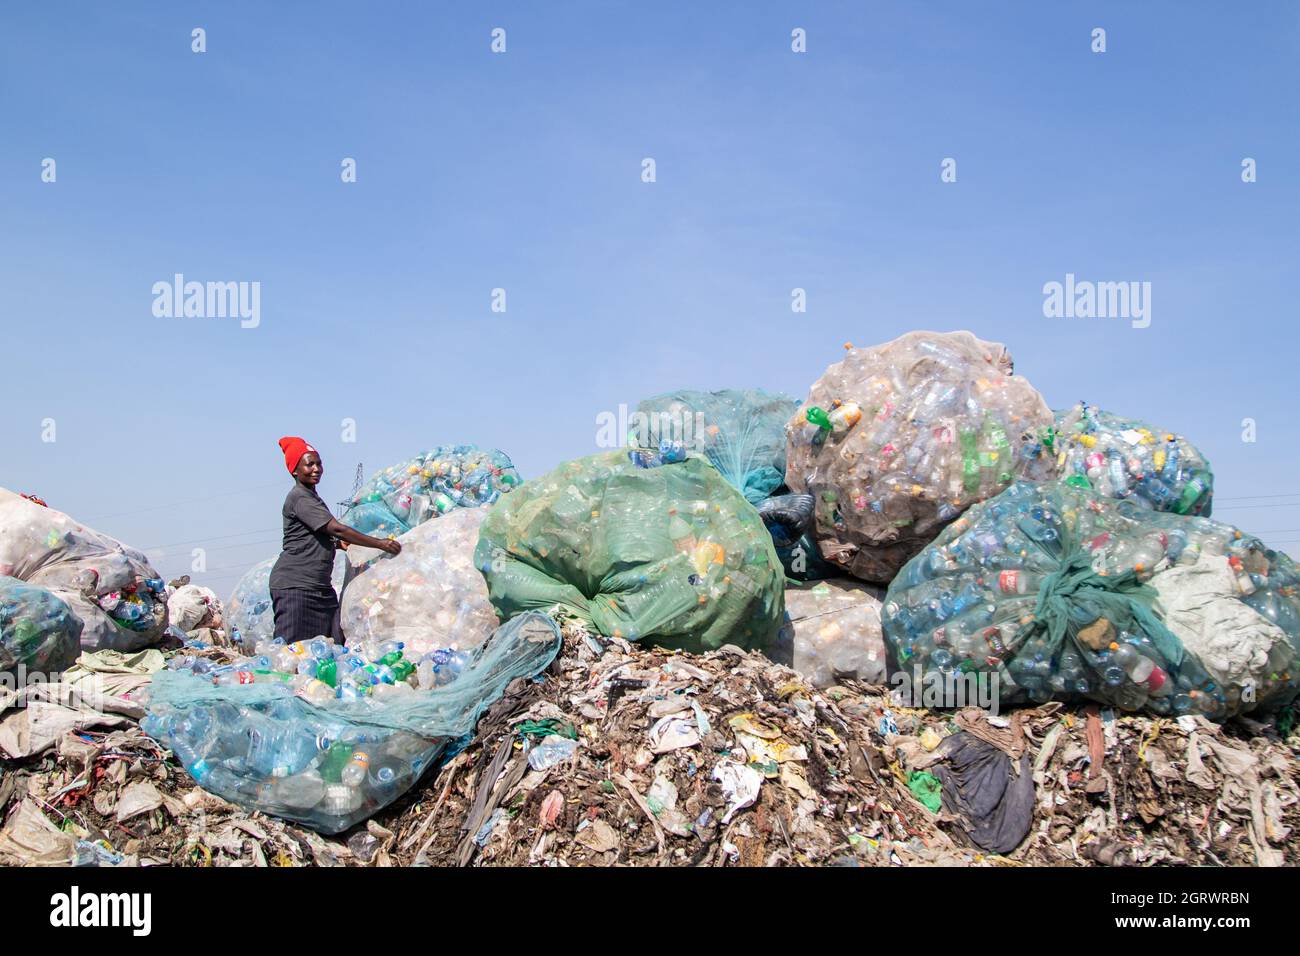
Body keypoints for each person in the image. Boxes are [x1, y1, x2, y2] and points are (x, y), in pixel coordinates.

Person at [269, 436, 401, 644]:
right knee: (290, 653)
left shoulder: (312, 497)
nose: (316, 469)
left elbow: (314, 535)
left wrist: (337, 544)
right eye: (309, 464)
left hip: (320, 588)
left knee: (335, 645)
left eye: (319, 463)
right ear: (295, 470)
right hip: (296, 588)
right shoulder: (299, 497)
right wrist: (380, 543)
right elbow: (336, 528)